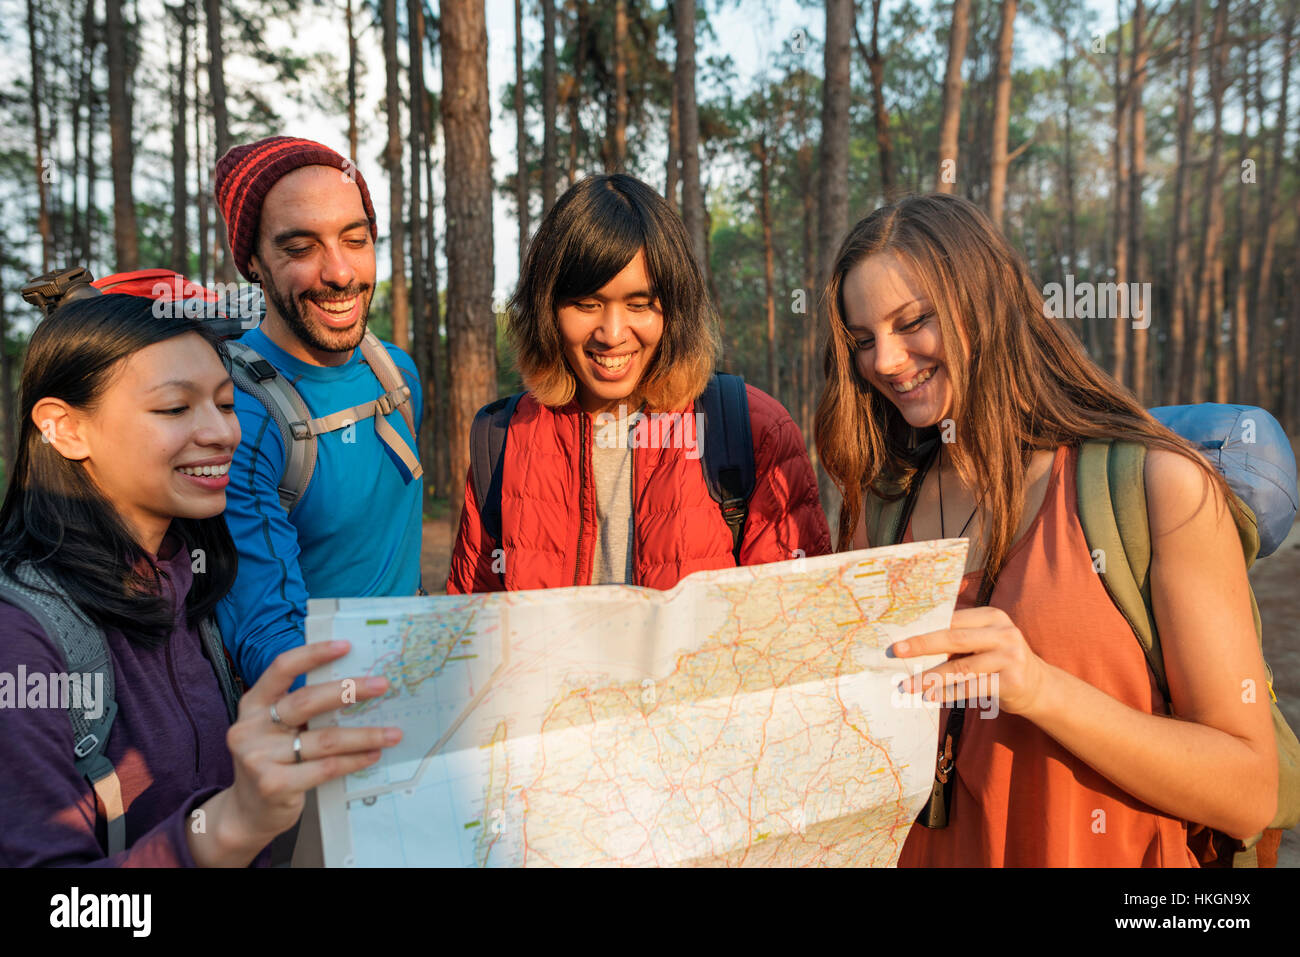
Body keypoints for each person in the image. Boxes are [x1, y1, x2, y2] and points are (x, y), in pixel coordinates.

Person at [814, 193, 1277, 867]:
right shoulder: (879, 508)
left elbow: (1249, 791)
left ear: (987, 304)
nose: (884, 360)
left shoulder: (1157, 489)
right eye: (862, 340)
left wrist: (1039, 687)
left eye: (912, 321)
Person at [0, 295, 400, 866]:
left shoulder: (192, 582)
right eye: (173, 409)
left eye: (226, 403)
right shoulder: (21, 639)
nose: (222, 434)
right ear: (64, 429)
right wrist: (226, 828)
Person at [447, 173, 830, 593]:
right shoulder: (502, 441)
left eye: (640, 304)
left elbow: (794, 628)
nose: (612, 333)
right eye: (586, 304)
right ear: (547, 310)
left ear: (676, 308)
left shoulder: (754, 432)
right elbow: (472, 635)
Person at [212, 136, 424, 686]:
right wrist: (384, 701)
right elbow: (269, 635)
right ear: (254, 263)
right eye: (300, 248)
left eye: (355, 240)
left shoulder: (397, 375)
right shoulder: (240, 419)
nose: (340, 273)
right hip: (336, 719)